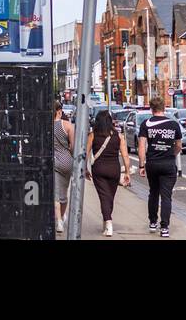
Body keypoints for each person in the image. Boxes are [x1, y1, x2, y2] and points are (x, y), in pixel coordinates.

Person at [137, 97, 182, 237]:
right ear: (164, 108)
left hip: (152, 163)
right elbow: (179, 145)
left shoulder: (146, 124)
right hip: (168, 164)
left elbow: (142, 146)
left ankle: (152, 223)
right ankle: (164, 228)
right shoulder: (174, 125)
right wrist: (171, 155)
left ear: (151, 109)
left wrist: (141, 165)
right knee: (166, 196)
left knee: (153, 192)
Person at [88, 110, 131, 237]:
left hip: (99, 169)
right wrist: (127, 172)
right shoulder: (118, 136)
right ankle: (106, 221)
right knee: (110, 197)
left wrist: (85, 169)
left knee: (104, 197)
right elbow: (125, 156)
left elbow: (85, 154)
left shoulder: (93, 135)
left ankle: (108, 222)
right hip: (114, 170)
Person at [52, 100, 82, 234]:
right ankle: (61, 218)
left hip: (52, 160)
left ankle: (58, 221)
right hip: (66, 161)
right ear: (59, 111)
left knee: (55, 194)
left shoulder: (46, 126)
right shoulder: (68, 126)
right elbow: (74, 147)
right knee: (64, 192)